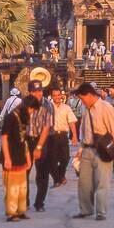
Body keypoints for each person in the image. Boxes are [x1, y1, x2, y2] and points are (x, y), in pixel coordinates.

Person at [74, 82, 114, 220]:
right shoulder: (86, 110)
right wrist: (80, 149)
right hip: (87, 149)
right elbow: (84, 132)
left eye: (82, 98)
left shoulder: (105, 108)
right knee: (84, 182)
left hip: (103, 149)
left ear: (89, 95)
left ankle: (101, 211)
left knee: (102, 182)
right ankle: (86, 209)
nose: (82, 102)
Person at [33, 81, 76, 210]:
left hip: (62, 134)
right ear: (51, 96)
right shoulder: (47, 106)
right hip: (49, 136)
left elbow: (72, 122)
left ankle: (60, 176)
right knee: (50, 161)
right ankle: (57, 179)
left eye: (59, 95)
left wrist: (74, 136)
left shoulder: (66, 108)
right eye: (54, 95)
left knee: (65, 158)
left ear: (61, 96)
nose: (57, 97)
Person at [0, 89, 38, 221]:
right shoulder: (11, 117)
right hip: (10, 155)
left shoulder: (23, 118)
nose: (31, 113)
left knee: (22, 186)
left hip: (21, 155)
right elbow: (4, 138)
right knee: (12, 187)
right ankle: (12, 212)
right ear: (27, 107)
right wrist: (7, 158)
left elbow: (25, 140)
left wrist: (28, 157)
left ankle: (21, 210)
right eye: (31, 109)